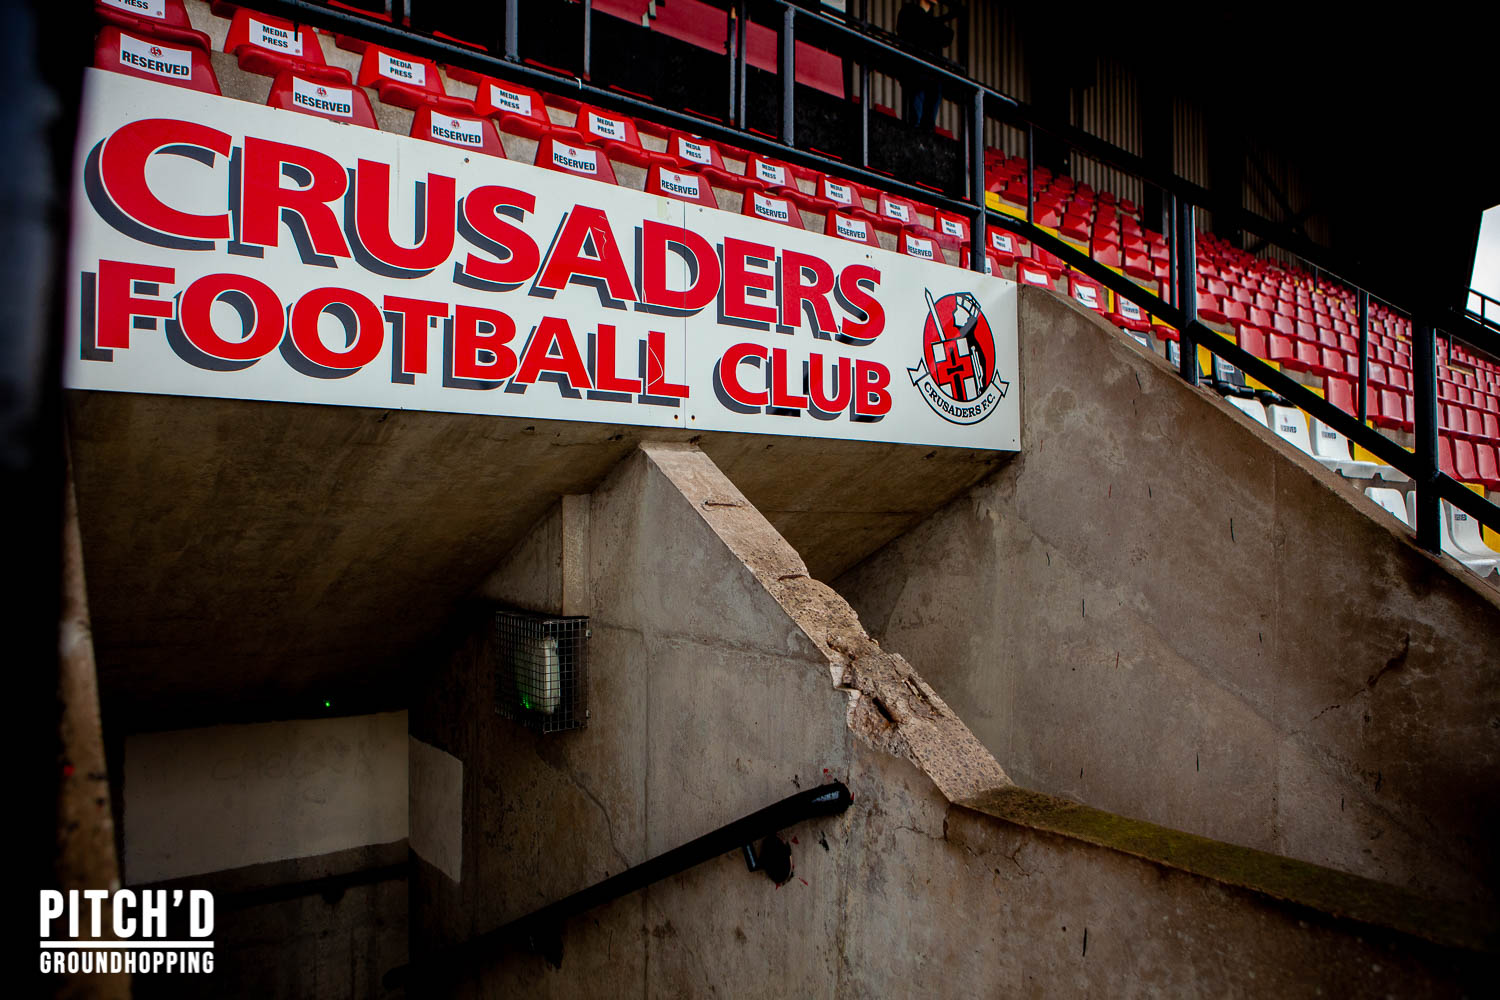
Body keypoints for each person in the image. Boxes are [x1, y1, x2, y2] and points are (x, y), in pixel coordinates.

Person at [896, 1, 960, 130]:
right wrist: (940, 22)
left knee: (928, 124)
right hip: (915, 73)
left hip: (933, 76)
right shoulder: (909, 11)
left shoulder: (931, 20)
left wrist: (934, 27)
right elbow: (914, 30)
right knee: (915, 120)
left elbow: (947, 36)